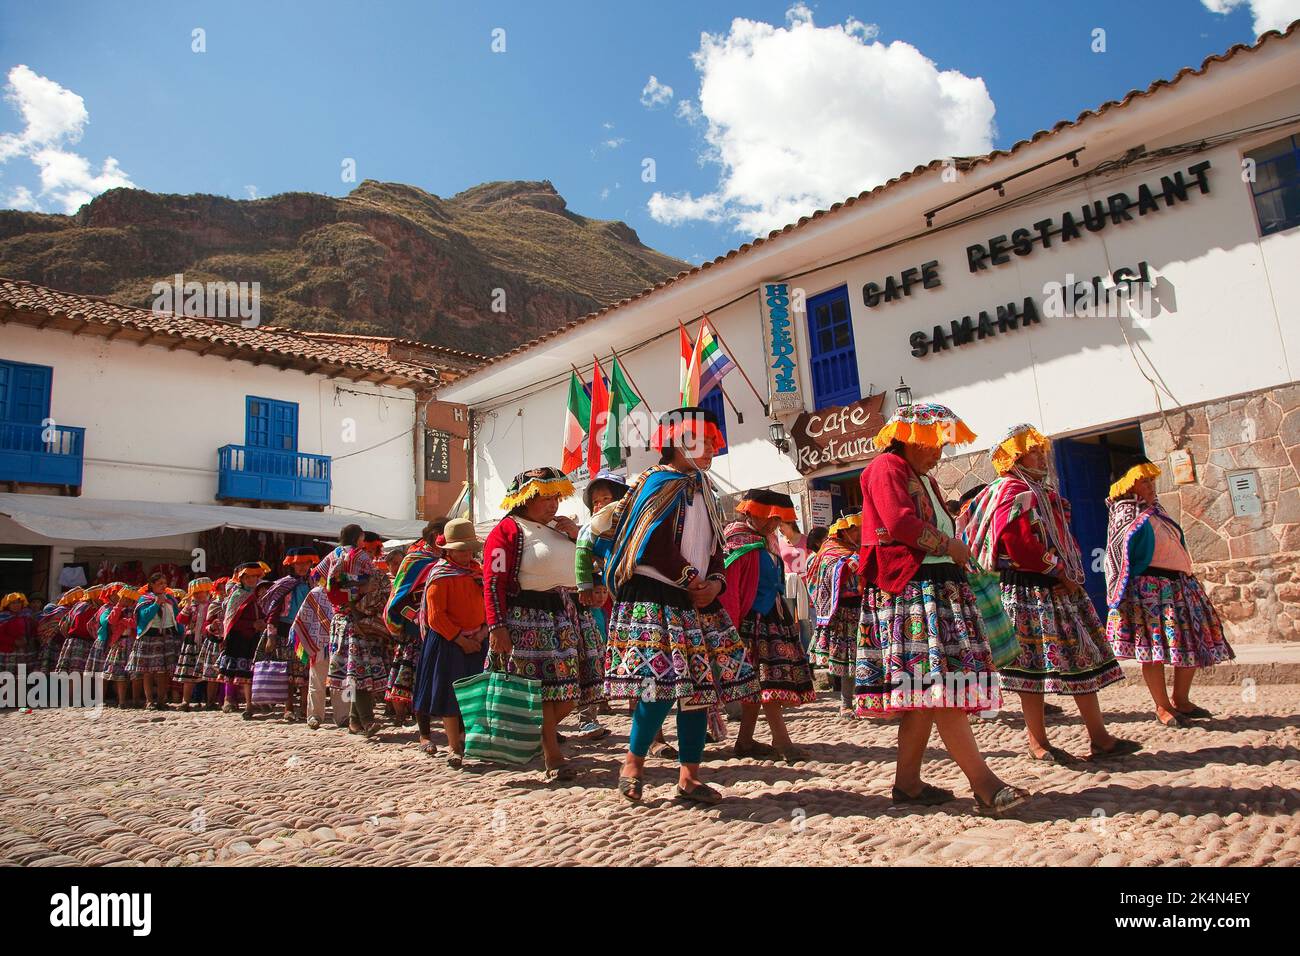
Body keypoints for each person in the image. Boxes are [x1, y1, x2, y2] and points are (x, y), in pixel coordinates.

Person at [858, 402, 1029, 816]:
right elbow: (900, 523)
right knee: (943, 688)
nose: (939, 450)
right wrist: (948, 545)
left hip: (935, 588)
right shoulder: (886, 469)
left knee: (924, 692)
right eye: (933, 442)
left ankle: (908, 784)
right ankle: (984, 784)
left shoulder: (922, 477)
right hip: (912, 591)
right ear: (909, 437)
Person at [603, 407, 760, 804]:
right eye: (704, 441)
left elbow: (717, 547)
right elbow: (651, 545)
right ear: (679, 443)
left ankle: (690, 777)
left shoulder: (705, 489)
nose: (712, 449)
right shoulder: (656, 484)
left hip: (697, 602)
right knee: (658, 687)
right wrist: (693, 580)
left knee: (700, 692)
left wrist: (716, 582)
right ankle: (633, 764)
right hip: (657, 597)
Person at [962, 424, 1138, 762]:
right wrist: (1059, 571)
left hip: (1059, 588)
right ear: (1015, 457)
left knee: (1081, 660)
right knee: (1032, 670)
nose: (1041, 456)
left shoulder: (1039, 491)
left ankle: (1099, 736)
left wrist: (1068, 574)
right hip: (1031, 589)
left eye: (1042, 450)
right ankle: (1037, 741)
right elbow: (1020, 544)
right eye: (1033, 451)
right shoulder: (1012, 492)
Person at [483, 466, 604, 782]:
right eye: (545, 498)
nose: (553, 504)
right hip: (527, 619)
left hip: (565, 615)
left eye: (556, 497)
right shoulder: (505, 532)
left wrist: (579, 537)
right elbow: (493, 581)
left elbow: (594, 563)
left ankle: (543, 743)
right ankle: (552, 754)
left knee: (566, 694)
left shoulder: (561, 528)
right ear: (524, 499)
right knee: (538, 694)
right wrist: (497, 626)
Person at [1104, 459, 1235, 726]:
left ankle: (1181, 699)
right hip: (1151, 591)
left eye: (1152, 480)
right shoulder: (1125, 513)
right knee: (1154, 651)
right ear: (1127, 486)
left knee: (1189, 644)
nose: (1151, 485)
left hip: (1179, 587)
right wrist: (1122, 594)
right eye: (1144, 481)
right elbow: (1117, 555)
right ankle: (1162, 706)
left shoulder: (1157, 512)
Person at [721, 490, 816, 761]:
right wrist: (731, 627)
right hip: (751, 621)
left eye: (777, 519)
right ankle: (782, 742)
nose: (773, 524)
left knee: (759, 683)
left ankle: (745, 741)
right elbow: (731, 590)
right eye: (768, 517)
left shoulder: (767, 541)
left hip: (774, 616)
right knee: (766, 682)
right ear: (750, 512)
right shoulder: (737, 541)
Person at [414, 518, 487, 767]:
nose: (466, 553)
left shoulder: (478, 573)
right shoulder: (440, 575)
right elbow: (436, 616)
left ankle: (471, 742)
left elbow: (488, 605)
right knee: (450, 697)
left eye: (469, 548)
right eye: (461, 549)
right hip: (448, 643)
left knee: (476, 695)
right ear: (448, 550)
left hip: (477, 640)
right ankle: (454, 748)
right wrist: (460, 639)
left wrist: (483, 631)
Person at [572, 470, 631, 743]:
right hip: (617, 603)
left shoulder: (633, 524)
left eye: (607, 498)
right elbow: (582, 554)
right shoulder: (591, 530)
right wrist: (585, 585)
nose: (600, 505)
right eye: (595, 501)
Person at [388, 520, 446, 747]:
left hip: (446, 628)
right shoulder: (413, 561)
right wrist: (419, 617)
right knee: (419, 681)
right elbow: (398, 598)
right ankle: (424, 734)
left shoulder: (450, 560)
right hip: (417, 631)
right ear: (434, 536)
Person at [326, 545, 391, 737]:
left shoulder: (376, 576)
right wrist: (361, 591)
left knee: (361, 676)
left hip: (368, 629)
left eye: (372, 553)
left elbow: (383, 597)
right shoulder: (342, 575)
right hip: (351, 629)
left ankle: (354, 720)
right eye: (366, 553)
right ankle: (367, 720)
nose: (369, 558)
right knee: (357, 675)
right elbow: (339, 597)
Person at [807, 512, 863, 717]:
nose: (860, 533)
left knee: (865, 657)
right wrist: (851, 562)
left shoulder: (855, 549)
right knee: (848, 660)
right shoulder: (830, 550)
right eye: (857, 529)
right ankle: (846, 703)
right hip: (842, 612)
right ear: (846, 530)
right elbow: (827, 575)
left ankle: (869, 700)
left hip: (863, 608)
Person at [258, 549, 317, 722]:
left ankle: (306, 708)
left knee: (306, 671)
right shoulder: (283, 585)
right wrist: (271, 636)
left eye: (306, 563)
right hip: (285, 631)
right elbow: (273, 612)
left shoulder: (313, 584)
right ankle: (288, 708)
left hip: (306, 630)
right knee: (287, 673)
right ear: (291, 564)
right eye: (299, 564)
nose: (302, 567)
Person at [219, 562, 269, 718]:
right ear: (241, 578)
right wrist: (251, 624)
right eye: (248, 577)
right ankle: (230, 699)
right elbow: (232, 619)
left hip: (255, 638)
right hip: (239, 638)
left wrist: (262, 622)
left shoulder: (261, 594)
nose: (252, 580)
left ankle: (251, 703)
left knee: (250, 671)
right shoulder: (237, 595)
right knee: (236, 670)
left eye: (255, 576)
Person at [128, 572, 181, 710]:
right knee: (148, 671)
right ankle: (149, 700)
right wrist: (157, 603)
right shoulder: (144, 599)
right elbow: (144, 617)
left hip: (166, 638)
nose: (163, 586)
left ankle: (161, 700)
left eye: (165, 583)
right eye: (159, 584)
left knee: (163, 671)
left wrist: (181, 633)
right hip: (149, 638)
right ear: (151, 585)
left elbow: (177, 618)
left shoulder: (171, 599)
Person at [174, 578, 216, 710]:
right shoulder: (191, 607)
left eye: (200, 592)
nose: (198, 595)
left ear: (207, 591)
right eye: (195, 593)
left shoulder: (213, 606)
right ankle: (186, 701)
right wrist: (186, 607)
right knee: (189, 671)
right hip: (191, 640)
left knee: (210, 672)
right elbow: (180, 620)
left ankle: (210, 701)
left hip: (207, 640)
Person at [55, 584, 103, 674]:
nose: (103, 599)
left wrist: (68, 637)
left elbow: (63, 623)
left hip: (72, 642)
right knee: (77, 674)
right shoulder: (93, 609)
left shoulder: (78, 606)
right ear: (95, 597)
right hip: (82, 644)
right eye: (100, 596)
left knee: (73, 673)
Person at [0, 593, 35, 678]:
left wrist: (31, 639)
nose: (16, 605)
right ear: (8, 605)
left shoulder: (27, 616)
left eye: (18, 603)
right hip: (8, 653)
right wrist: (14, 641)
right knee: (7, 680)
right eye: (13, 603)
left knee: (22, 680)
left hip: (25, 652)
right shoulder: (3, 617)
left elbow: (32, 630)